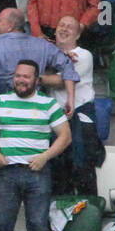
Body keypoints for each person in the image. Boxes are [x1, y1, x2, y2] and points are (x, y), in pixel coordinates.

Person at [0, 59, 71, 231]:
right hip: (7, 172)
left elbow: (65, 136)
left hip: (37, 172)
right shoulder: (1, 102)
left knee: (38, 228)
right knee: (1, 228)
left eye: (26, 76)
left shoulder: (49, 104)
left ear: (36, 80)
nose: (20, 80)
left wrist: (45, 157)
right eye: (17, 76)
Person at [47, 15, 101, 197]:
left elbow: (63, 80)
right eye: (61, 25)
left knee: (82, 160)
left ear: (77, 35)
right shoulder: (47, 53)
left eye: (70, 27)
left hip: (80, 112)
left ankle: (90, 206)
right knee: (57, 166)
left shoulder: (84, 55)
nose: (64, 29)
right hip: (56, 116)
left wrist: (37, 78)